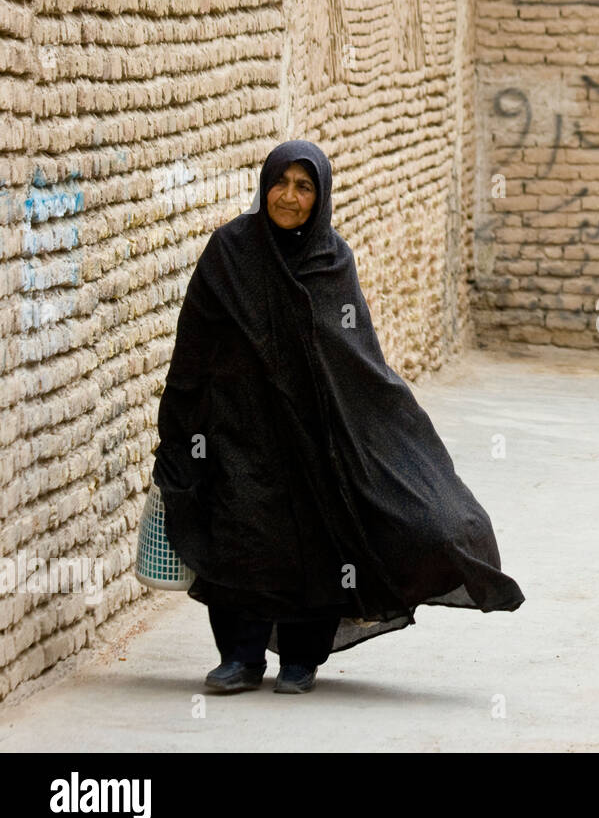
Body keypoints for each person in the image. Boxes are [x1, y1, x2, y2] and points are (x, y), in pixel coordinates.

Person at [152, 140, 525, 696]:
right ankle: (240, 658)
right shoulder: (230, 252)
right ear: (265, 185)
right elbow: (195, 343)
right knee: (241, 539)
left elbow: (356, 357)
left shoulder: (331, 261)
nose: (289, 197)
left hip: (315, 433)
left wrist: (381, 429)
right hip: (238, 429)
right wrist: (180, 427)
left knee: (316, 542)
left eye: (304, 187)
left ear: (320, 197)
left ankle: (301, 660)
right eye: (281, 183)